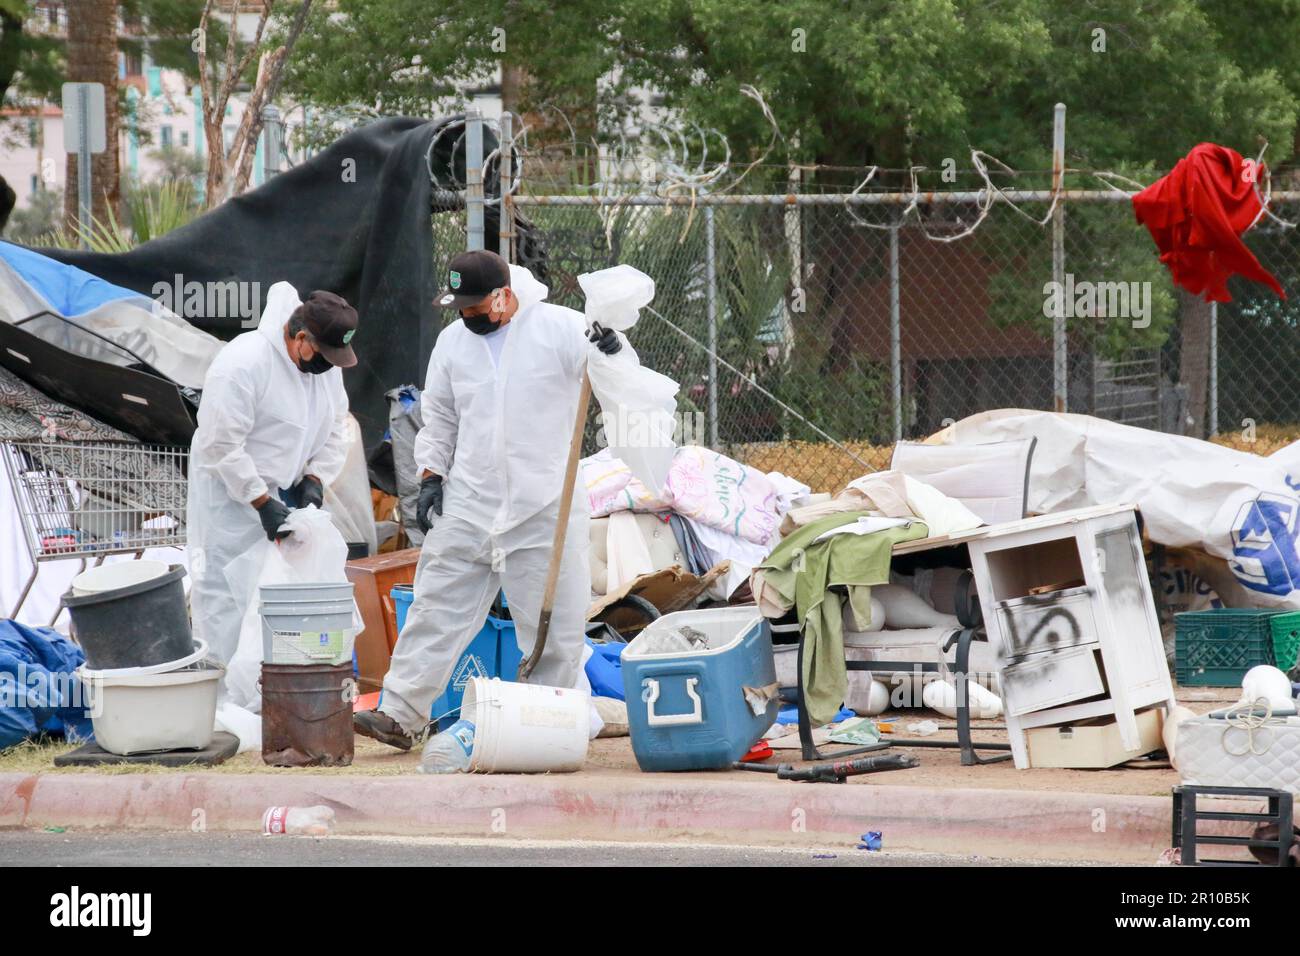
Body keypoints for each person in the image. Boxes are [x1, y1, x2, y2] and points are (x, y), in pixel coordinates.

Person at [354, 250, 621, 750]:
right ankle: (400, 714)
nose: (467, 316)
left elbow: (615, 376)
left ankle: (551, 726)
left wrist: (612, 348)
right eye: (460, 307)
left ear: (504, 295)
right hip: (471, 501)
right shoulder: (453, 344)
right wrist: (431, 477)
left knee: (551, 626)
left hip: (544, 505)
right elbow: (440, 418)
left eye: (476, 306)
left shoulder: (562, 329)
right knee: (435, 606)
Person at [187, 281, 357, 664]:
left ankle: (267, 693)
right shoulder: (243, 363)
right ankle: (222, 699)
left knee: (277, 597)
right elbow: (221, 445)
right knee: (225, 594)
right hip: (228, 499)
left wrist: (314, 479)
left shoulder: (324, 369)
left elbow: (335, 426)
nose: (328, 366)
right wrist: (259, 500)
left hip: (283, 493)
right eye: (325, 355)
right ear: (300, 337)